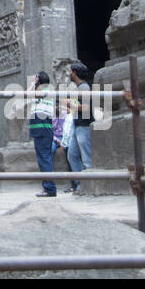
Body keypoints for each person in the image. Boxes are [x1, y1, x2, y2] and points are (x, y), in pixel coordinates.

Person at [66, 62, 94, 194]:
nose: (68, 74)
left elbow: (87, 107)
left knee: (86, 158)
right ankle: (80, 185)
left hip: (83, 125)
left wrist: (72, 106)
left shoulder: (84, 88)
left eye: (70, 71)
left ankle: (90, 186)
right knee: (72, 155)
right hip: (77, 124)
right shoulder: (78, 88)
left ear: (75, 73)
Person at [28, 71, 57, 196]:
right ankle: (47, 187)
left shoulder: (46, 90)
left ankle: (49, 188)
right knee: (43, 159)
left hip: (42, 129)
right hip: (40, 129)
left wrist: (33, 84)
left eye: (36, 78)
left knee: (45, 159)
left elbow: (28, 94)